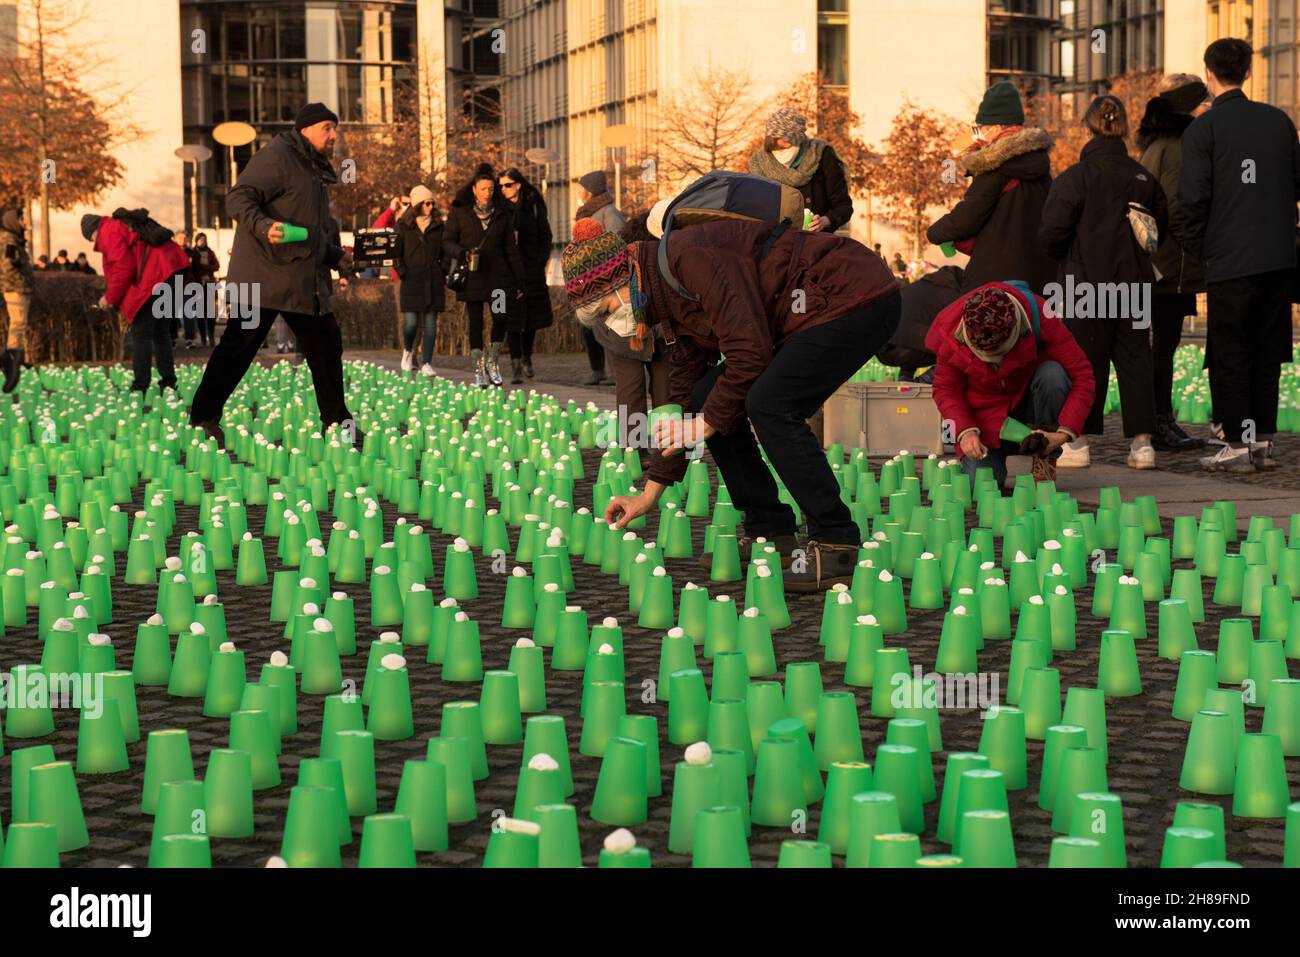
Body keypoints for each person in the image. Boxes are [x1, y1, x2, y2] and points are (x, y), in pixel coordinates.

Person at [599, 213, 903, 593]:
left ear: (620, 282)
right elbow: (683, 386)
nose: (611, 323)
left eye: (605, 311)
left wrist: (706, 422)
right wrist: (651, 491)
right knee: (705, 397)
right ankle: (769, 528)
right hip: (808, 312)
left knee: (771, 404)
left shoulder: (690, 259)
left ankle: (836, 539)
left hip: (852, 296)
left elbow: (749, 353)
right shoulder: (665, 287)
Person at [189, 102, 355, 446]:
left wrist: (337, 257)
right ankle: (202, 418)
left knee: (326, 347)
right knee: (237, 349)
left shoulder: (315, 169)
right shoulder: (278, 156)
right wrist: (264, 226)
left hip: (299, 281)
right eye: (327, 127)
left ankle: (337, 423)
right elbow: (237, 198)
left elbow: (313, 232)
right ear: (305, 129)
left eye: (334, 128)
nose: (334, 135)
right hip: (260, 277)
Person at [1175, 38, 1299, 473]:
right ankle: (1261, 439)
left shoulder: (1203, 130)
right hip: (1279, 257)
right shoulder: (1279, 123)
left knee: (1230, 352)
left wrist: (1202, 248)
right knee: (1268, 350)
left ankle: (1239, 445)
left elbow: (1191, 200)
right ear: (1248, 72)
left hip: (1229, 260)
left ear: (1208, 74)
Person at [1038, 95, 1166, 471]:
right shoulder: (1143, 178)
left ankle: (1078, 442)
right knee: (1135, 361)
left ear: (1088, 127)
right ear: (1124, 127)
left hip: (1084, 287)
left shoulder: (1076, 178)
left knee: (1084, 364)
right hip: (1134, 285)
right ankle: (1143, 445)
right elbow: (1161, 229)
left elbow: (1050, 233)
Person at [928, 282, 1095, 489]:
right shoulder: (950, 328)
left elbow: (1083, 376)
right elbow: (946, 389)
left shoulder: (1041, 316)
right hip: (983, 420)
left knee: (1053, 374)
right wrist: (965, 431)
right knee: (981, 486)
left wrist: (1061, 436)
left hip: (1029, 403)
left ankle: (1044, 457)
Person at [1137, 74, 1213, 453]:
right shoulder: (1179, 147)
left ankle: (1158, 422)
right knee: (1163, 344)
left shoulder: (1158, 144)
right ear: (1187, 108)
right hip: (1171, 264)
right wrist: (1199, 248)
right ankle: (1159, 423)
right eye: (1203, 103)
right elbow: (1177, 207)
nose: (1208, 108)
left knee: (1159, 344)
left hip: (1160, 262)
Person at [927, 81, 1056, 295]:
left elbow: (968, 217)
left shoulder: (994, 165)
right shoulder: (1040, 164)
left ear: (996, 127)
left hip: (996, 283)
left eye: (982, 128)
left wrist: (934, 232)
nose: (978, 135)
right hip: (1038, 280)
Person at [562, 217, 671, 467]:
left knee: (667, 388)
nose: (604, 312)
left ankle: (673, 448)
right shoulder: (600, 307)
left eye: (605, 308)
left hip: (660, 332)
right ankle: (636, 450)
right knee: (630, 389)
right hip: (618, 339)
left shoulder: (646, 272)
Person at [82, 210, 191, 396]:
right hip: (173, 268)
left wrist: (109, 298)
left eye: (92, 240)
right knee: (160, 332)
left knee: (141, 333)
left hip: (159, 275)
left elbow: (125, 267)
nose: (95, 244)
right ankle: (168, 382)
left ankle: (140, 386)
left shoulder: (108, 232)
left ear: (92, 233)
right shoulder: (119, 225)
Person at [443, 164, 525, 388]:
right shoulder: (460, 213)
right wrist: (462, 252)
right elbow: (447, 242)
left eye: (490, 188)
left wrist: (520, 279)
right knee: (476, 322)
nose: (487, 192)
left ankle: (493, 362)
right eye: (483, 188)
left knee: (500, 318)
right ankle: (478, 368)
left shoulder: (501, 214)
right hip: (473, 276)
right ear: (474, 189)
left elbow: (511, 248)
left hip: (498, 277)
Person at [749, 107, 853, 233]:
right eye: (776, 142)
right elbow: (753, 208)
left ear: (798, 139)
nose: (781, 148)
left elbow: (843, 206)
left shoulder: (821, 155)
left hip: (815, 241)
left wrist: (825, 221)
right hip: (775, 242)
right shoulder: (759, 163)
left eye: (787, 142)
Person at [500, 167, 553, 384]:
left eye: (508, 185)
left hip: (531, 268)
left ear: (519, 185)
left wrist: (540, 260)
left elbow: (545, 235)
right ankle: (515, 364)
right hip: (507, 271)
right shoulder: (499, 208)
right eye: (501, 185)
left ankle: (526, 356)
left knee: (531, 318)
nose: (503, 189)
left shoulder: (533, 205)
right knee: (511, 319)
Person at [574, 170, 626, 385]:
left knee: (608, 326)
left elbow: (618, 243)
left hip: (604, 280)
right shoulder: (585, 212)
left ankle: (614, 374)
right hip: (588, 279)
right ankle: (598, 370)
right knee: (587, 325)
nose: (579, 192)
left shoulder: (609, 213)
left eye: (582, 188)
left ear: (590, 190)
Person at [393, 183, 446, 375]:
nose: (431, 207)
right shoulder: (403, 226)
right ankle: (408, 350)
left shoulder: (439, 226)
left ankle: (427, 362)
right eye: (426, 203)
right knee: (411, 323)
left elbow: (445, 251)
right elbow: (394, 253)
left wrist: (443, 269)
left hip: (433, 280)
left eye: (432, 203)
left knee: (431, 325)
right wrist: (402, 271)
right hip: (411, 279)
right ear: (417, 205)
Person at [0, 208, 33, 390]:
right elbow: (8, 267)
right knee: (18, 324)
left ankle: (14, 359)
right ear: (14, 221)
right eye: (22, 219)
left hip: (19, 289)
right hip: (16, 290)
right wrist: (22, 282)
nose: (25, 223)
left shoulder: (14, 239)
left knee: (19, 325)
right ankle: (12, 362)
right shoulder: (9, 241)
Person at [190, 232, 220, 346]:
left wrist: (205, 267)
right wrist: (207, 268)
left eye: (204, 239)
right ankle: (203, 338)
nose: (202, 242)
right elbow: (193, 268)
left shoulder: (210, 252)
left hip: (210, 284)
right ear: (196, 241)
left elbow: (216, 266)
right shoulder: (194, 253)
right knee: (201, 313)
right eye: (200, 240)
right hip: (198, 285)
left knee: (211, 313)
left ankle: (211, 336)